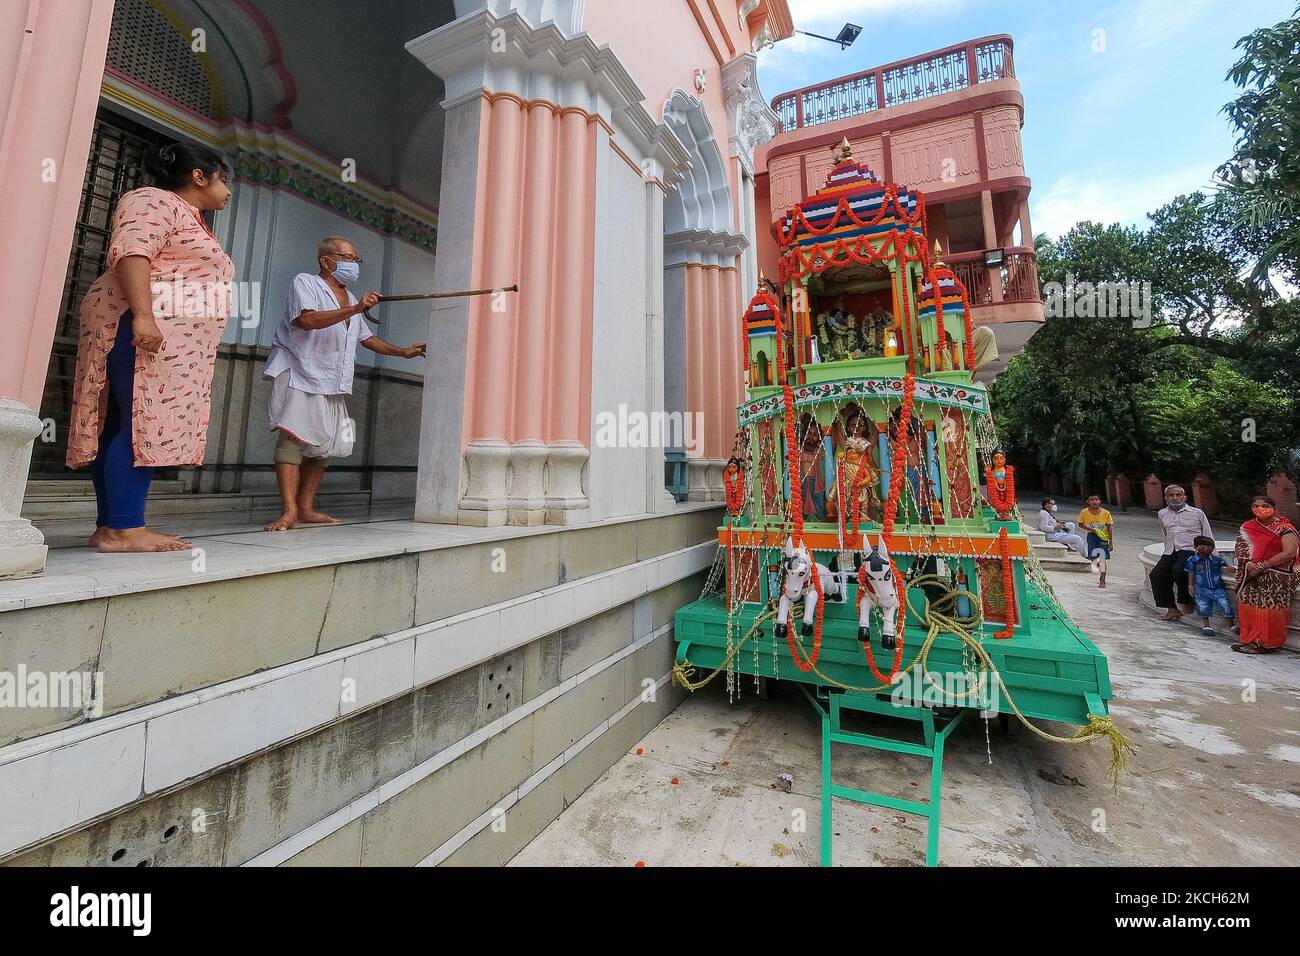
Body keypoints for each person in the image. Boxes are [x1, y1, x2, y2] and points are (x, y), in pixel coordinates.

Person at [65, 142, 235, 552]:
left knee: (128, 421)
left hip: (172, 341)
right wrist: (143, 316)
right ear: (200, 176)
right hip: (142, 329)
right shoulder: (154, 200)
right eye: (223, 178)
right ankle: (125, 527)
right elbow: (134, 252)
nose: (227, 190)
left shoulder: (190, 218)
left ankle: (111, 528)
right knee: (139, 421)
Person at [263, 237, 427, 531]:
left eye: (355, 259)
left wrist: (402, 352)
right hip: (300, 371)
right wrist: (356, 309)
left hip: (331, 378)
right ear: (326, 261)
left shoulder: (351, 299)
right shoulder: (305, 283)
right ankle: (288, 511)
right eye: (348, 258)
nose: (353, 265)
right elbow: (306, 321)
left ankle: (306, 508)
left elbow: (367, 338)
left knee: (324, 444)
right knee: (293, 439)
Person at [1231, 495, 1298, 654]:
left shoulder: (1285, 528)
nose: (1260, 509)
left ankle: (1265, 643)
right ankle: (1250, 638)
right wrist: (1249, 564)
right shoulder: (1248, 527)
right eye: (1256, 506)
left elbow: (1289, 553)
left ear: (1274, 509)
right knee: (1247, 603)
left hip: (1279, 573)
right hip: (1252, 571)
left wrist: (1263, 566)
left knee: (1268, 608)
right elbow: (1240, 549)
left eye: (1264, 506)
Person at [1150, 484, 1214, 622]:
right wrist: (1166, 550)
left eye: (1178, 495)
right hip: (1170, 550)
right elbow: (1165, 533)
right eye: (1171, 495)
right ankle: (1172, 609)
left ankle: (1188, 601)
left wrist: (1211, 554)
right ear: (1166, 498)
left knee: (1179, 570)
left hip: (1190, 549)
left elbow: (1207, 533)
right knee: (1156, 574)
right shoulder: (1162, 513)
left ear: (1184, 497)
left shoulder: (1197, 513)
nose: (1175, 498)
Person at [1184, 535, 1233, 636]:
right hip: (1201, 588)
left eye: (1209, 548)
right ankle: (1206, 625)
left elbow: (1225, 564)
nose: (1205, 550)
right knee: (1203, 607)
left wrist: (1229, 568)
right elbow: (1191, 573)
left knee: (1225, 604)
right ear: (1196, 548)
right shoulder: (1193, 560)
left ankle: (1230, 624)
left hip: (1217, 588)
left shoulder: (1216, 559)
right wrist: (1190, 585)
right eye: (1202, 548)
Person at [1077, 494, 1115, 587]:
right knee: (1093, 557)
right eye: (1092, 500)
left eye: (1096, 499)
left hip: (1103, 537)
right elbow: (1080, 524)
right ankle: (1100, 568)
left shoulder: (1106, 513)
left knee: (1102, 558)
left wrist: (1111, 542)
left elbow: (1109, 527)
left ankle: (1103, 580)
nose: (1094, 501)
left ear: (1100, 501)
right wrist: (1090, 529)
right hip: (1091, 536)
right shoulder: (1084, 512)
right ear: (1088, 501)